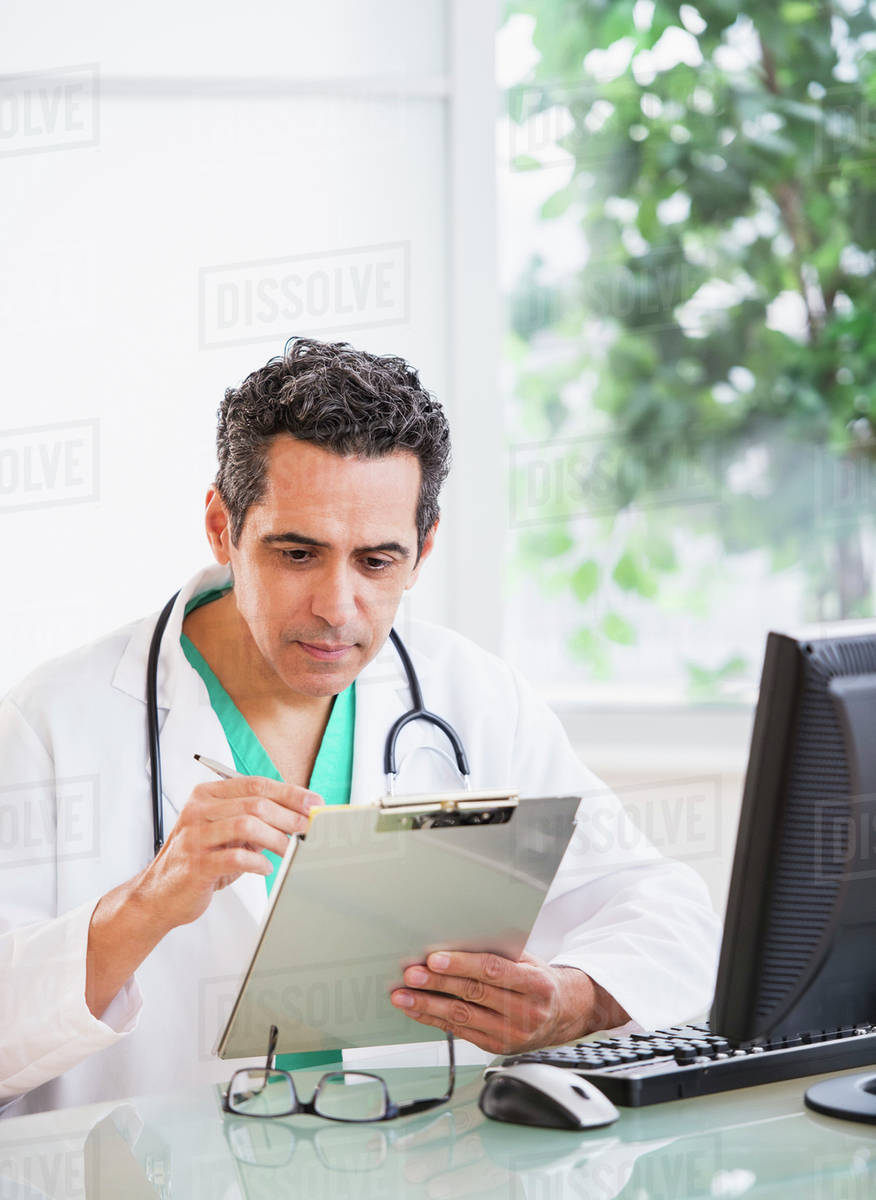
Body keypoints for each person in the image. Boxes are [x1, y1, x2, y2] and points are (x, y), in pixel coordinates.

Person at [0, 339, 721, 1116]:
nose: (337, 608)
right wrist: (144, 905)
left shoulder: (472, 695)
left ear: (424, 550)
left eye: (377, 562)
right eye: (298, 553)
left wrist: (571, 1003)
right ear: (222, 527)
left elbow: (669, 912)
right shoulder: (53, 723)